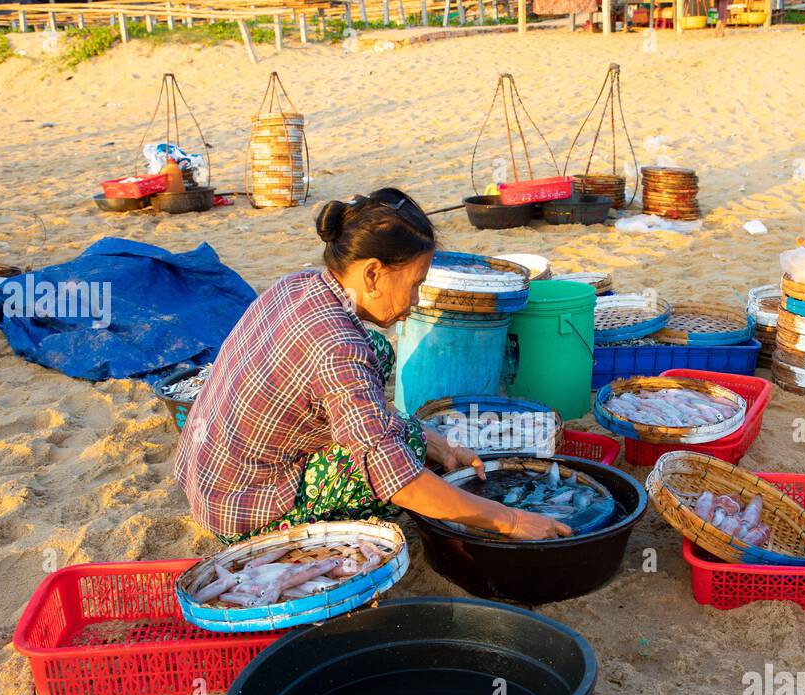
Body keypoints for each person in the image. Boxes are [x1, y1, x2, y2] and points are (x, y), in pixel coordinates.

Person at [175, 187, 572, 544]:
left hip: (206, 475)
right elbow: (394, 479)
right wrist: (509, 519)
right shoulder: (339, 348)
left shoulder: (297, 284)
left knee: (381, 358)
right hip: (240, 511)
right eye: (415, 283)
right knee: (400, 462)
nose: (415, 301)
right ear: (372, 273)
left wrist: (437, 440)